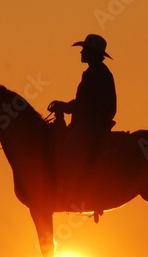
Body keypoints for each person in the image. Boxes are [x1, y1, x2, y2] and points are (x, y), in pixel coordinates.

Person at [48, 34, 117, 206]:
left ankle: (75, 191)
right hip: (90, 121)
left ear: (92, 53)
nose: (81, 52)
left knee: (71, 145)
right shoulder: (95, 72)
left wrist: (64, 106)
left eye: (84, 50)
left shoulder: (97, 73)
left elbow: (86, 103)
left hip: (92, 123)